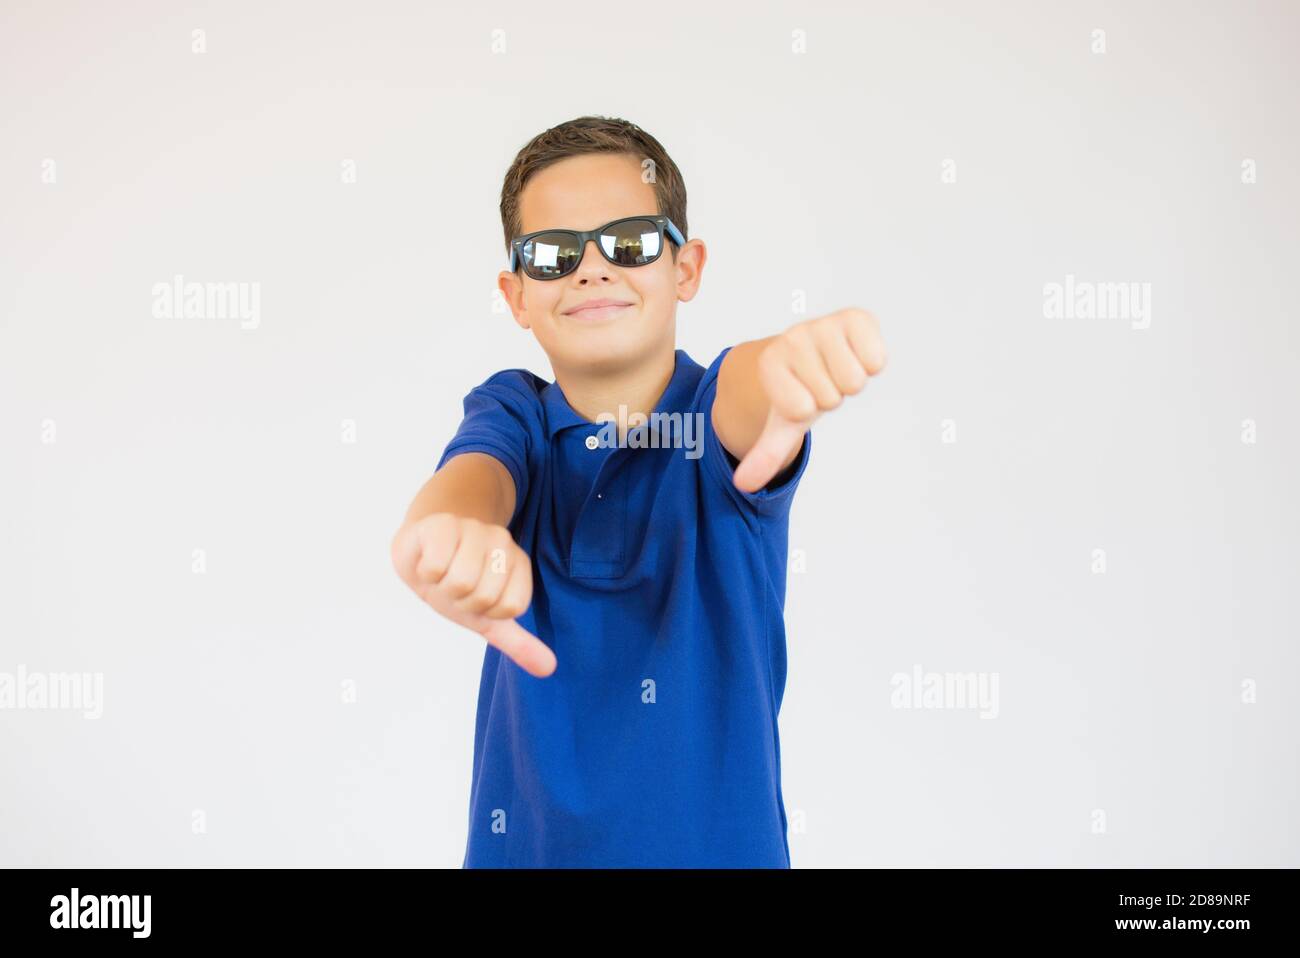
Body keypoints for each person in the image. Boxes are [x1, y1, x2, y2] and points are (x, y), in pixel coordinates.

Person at [390, 115, 887, 867]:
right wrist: (449, 529)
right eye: (554, 254)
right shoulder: (514, 414)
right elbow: (471, 479)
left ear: (685, 269)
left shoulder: (712, 414)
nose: (592, 270)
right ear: (516, 294)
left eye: (629, 243)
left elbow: (746, 394)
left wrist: (782, 366)